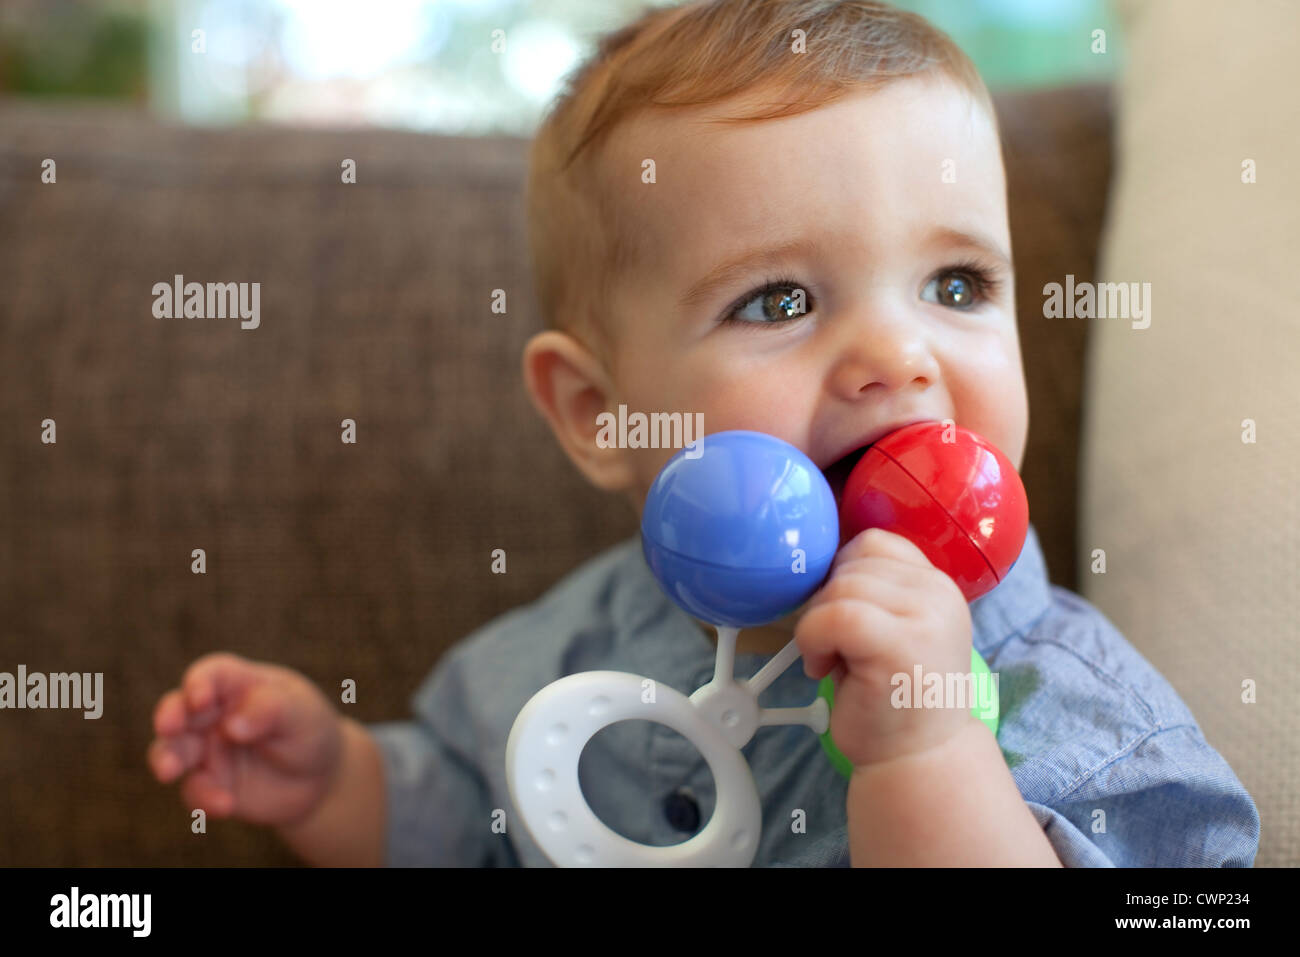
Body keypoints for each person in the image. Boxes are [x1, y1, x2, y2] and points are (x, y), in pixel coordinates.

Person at [147, 0, 1259, 867]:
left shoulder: (1065, 701)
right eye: (778, 301)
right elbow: (477, 820)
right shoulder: (572, 649)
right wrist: (336, 784)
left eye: (956, 284)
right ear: (602, 417)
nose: (899, 357)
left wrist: (926, 752)